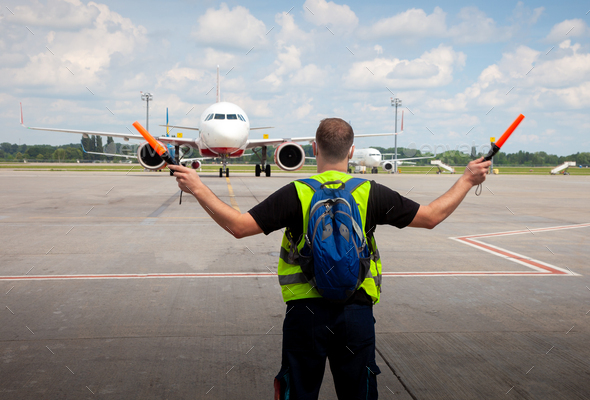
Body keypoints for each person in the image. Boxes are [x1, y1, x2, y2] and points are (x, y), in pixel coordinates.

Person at [168, 118, 490, 400]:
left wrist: (198, 187)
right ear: (351, 152)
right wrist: (466, 178)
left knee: (299, 391)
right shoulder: (370, 192)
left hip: (304, 314)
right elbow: (431, 216)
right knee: (358, 393)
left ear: (314, 148)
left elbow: (238, 227)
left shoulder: (297, 192)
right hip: (356, 313)